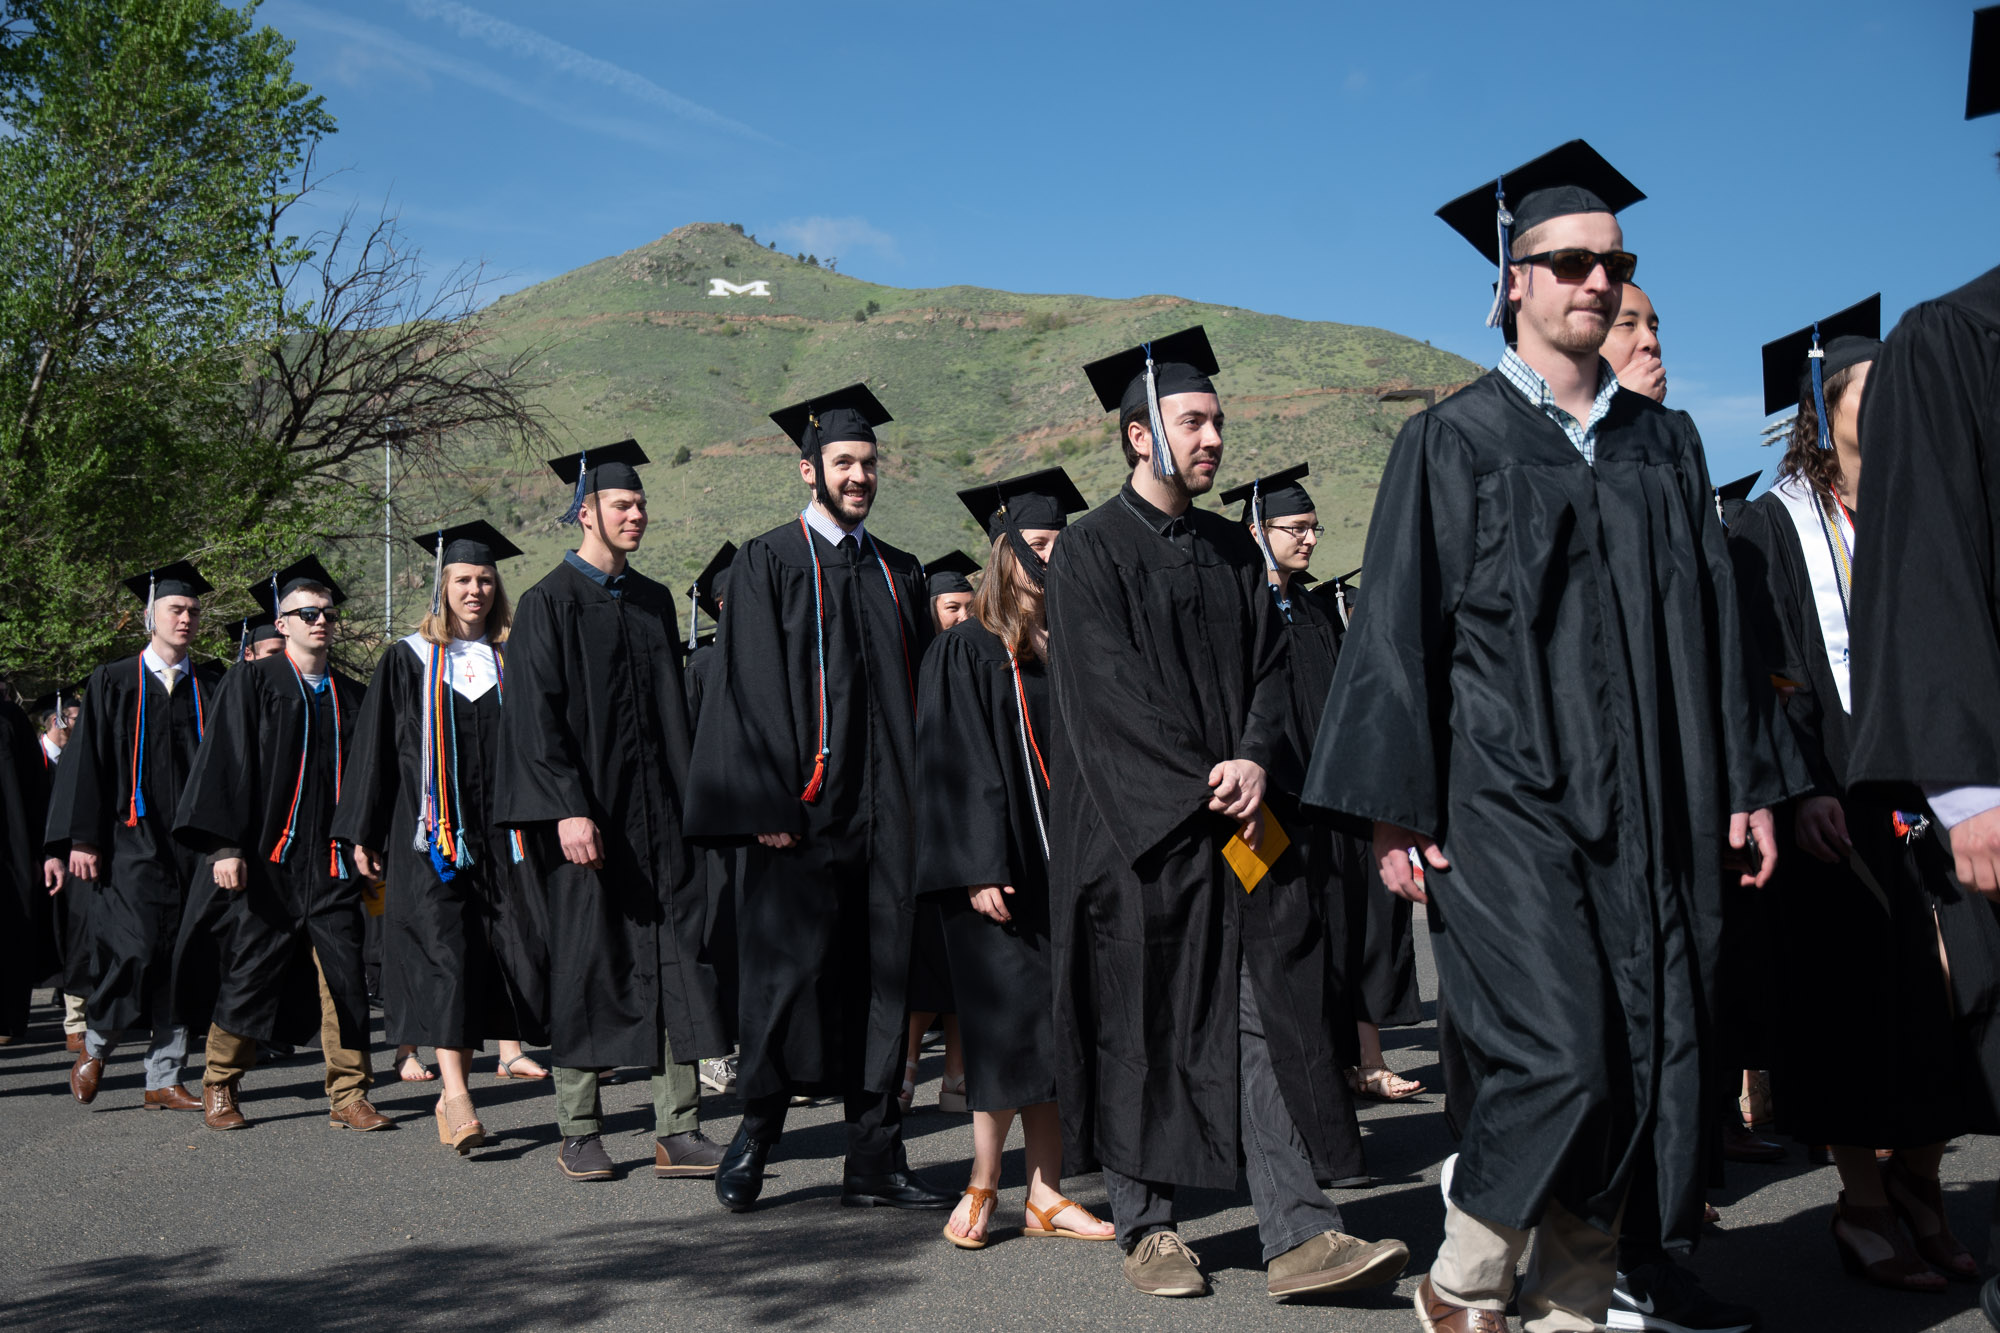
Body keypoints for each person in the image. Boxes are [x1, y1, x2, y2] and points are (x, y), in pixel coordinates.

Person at [1308, 142, 1796, 1333]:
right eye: (1568, 261)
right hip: (1505, 800)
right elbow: (1397, 632)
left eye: (1611, 262)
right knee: (1564, 1049)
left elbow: (1713, 629)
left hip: (1659, 800)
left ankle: (1572, 1297)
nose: (1594, 279)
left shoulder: (1661, 446)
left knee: (1646, 1047)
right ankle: (1467, 1268)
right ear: (1510, 279)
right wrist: (1391, 807)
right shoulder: (1453, 440)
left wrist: (1742, 780)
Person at [1047, 326, 1408, 1302]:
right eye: (1193, 420)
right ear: (1137, 435)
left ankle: (1298, 1231)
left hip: (1239, 830)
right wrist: (1202, 779)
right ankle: (1148, 1225)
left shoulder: (1228, 552)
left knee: (1263, 1016)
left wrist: (1253, 758)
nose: (1213, 436)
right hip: (1141, 837)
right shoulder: (1086, 553)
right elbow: (1108, 695)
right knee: (1143, 1020)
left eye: (1217, 420)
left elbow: (1266, 674)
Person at [1730, 303, 1979, 1291]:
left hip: (1934, 788)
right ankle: (1863, 1201)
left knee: (1949, 999)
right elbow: (1764, 671)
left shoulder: (1932, 509)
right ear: (1820, 406)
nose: (1886, 411)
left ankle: (1920, 1180)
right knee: (1845, 1006)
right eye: (1866, 394)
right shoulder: (1769, 524)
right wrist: (1796, 788)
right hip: (1830, 799)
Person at [685, 384, 953, 1214]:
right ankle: (756, 1134)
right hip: (798, 819)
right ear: (810, 470)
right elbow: (748, 687)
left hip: (888, 819)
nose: (859, 475)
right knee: (787, 981)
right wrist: (766, 802)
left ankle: (873, 1154)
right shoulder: (767, 560)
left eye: (869, 463)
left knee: (882, 982)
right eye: (844, 462)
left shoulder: (898, 570)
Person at [492, 441, 726, 1182]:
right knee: (589, 963)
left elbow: (677, 717)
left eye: (641, 505)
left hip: (662, 818)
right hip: (589, 820)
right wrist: (565, 808)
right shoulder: (547, 602)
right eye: (623, 505)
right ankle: (579, 1125)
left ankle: (678, 1127)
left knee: (677, 963)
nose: (637, 515)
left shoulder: (654, 601)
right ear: (585, 510)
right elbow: (536, 719)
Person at [920, 468, 1115, 1250]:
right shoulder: (967, 651)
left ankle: (1047, 1192)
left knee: (1056, 1028)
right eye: (1037, 545)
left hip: (1065, 869)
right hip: (994, 874)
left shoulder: (1066, 647)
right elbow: (952, 762)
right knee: (1003, 1032)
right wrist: (976, 863)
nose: (1050, 557)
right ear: (1005, 554)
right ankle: (982, 1181)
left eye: (1059, 543)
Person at [335, 521, 552, 1155]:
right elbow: (374, 751)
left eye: (485, 579)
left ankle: (508, 1064)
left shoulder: (516, 658)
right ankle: (456, 1095)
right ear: (442, 585)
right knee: (446, 955)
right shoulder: (408, 658)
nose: (475, 589)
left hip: (508, 842)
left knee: (508, 953)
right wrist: (361, 831)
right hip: (432, 840)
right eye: (463, 579)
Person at [1221, 465, 1423, 1112]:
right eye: (1297, 528)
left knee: (1340, 932)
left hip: (1325, 805)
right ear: (1257, 529)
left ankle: (1346, 1068)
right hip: (1265, 807)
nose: (1310, 539)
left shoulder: (1312, 608)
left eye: (1315, 527)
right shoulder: (1234, 603)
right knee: (1273, 955)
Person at [172, 556, 388, 1133]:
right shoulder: (253, 682)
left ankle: (350, 1094)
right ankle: (220, 1082)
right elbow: (223, 764)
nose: (320, 622)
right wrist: (223, 849)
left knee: (344, 980)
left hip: (333, 861)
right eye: (307, 613)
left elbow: (370, 778)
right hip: (269, 863)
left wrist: (367, 839)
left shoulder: (352, 695)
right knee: (251, 974)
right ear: (282, 622)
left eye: (327, 614)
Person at [45, 563, 221, 1112]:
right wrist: (77, 840)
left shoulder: (212, 684)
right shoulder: (113, 680)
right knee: (136, 951)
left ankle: (163, 1079)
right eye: (177, 609)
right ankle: (96, 1046)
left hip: (193, 845)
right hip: (130, 843)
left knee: (185, 958)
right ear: (152, 616)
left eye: (193, 610)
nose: (187, 618)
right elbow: (86, 765)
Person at [901, 549, 983, 1116]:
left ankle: (956, 1077)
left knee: (961, 970)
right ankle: (903, 1072)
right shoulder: (909, 665)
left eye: (968, 607)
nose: (960, 616)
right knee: (915, 962)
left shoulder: (978, 660)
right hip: (917, 833)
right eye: (950, 607)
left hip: (963, 829)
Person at [684, 540, 740, 1096]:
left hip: (773, 824)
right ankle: (716, 1052)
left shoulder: (777, 658)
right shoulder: (701, 666)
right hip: (719, 826)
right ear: (722, 605)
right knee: (719, 937)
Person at [33, 685, 90, 1051]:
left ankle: (78, 1019)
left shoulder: (79, 756)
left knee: (75, 934)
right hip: (33, 859)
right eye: (74, 716)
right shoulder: (27, 754)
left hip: (71, 860)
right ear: (58, 720)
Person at [0, 692, 53, 1044]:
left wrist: (42, 851)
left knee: (10, 928)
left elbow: (37, 790)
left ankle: (5, 1017)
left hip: (10, 845)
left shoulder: (10, 719)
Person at [1601, 282, 1666, 402]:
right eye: (1628, 324)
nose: (1652, 341)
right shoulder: (1558, 416)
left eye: (1653, 328)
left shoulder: (1676, 420)